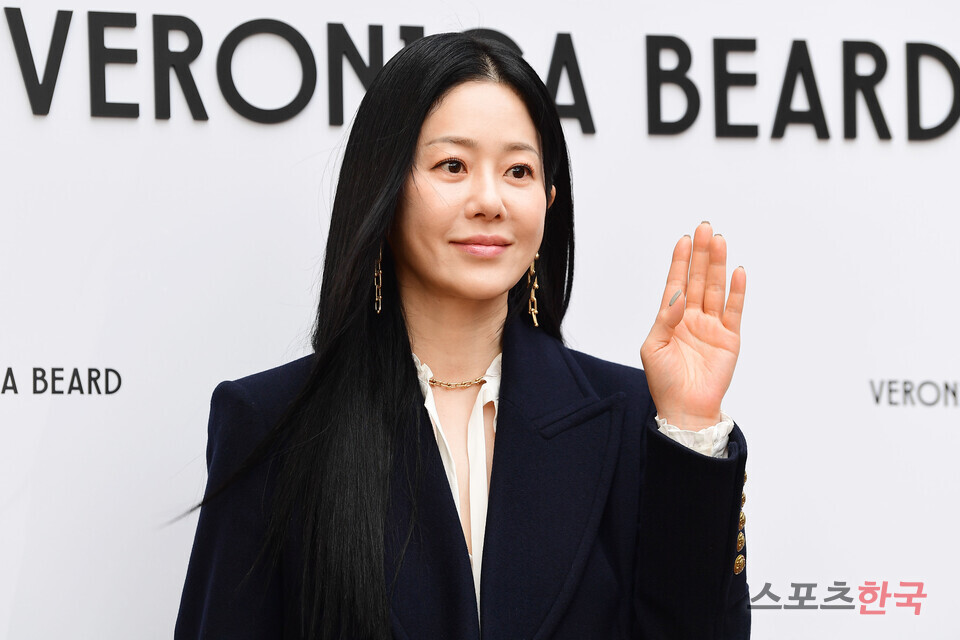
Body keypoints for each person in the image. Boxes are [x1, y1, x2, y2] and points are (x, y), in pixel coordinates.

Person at [175, 32, 750, 640]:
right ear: (383, 189)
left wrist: (690, 428)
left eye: (518, 171)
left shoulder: (641, 422)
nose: (489, 200)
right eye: (453, 166)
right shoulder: (273, 423)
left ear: (548, 202)